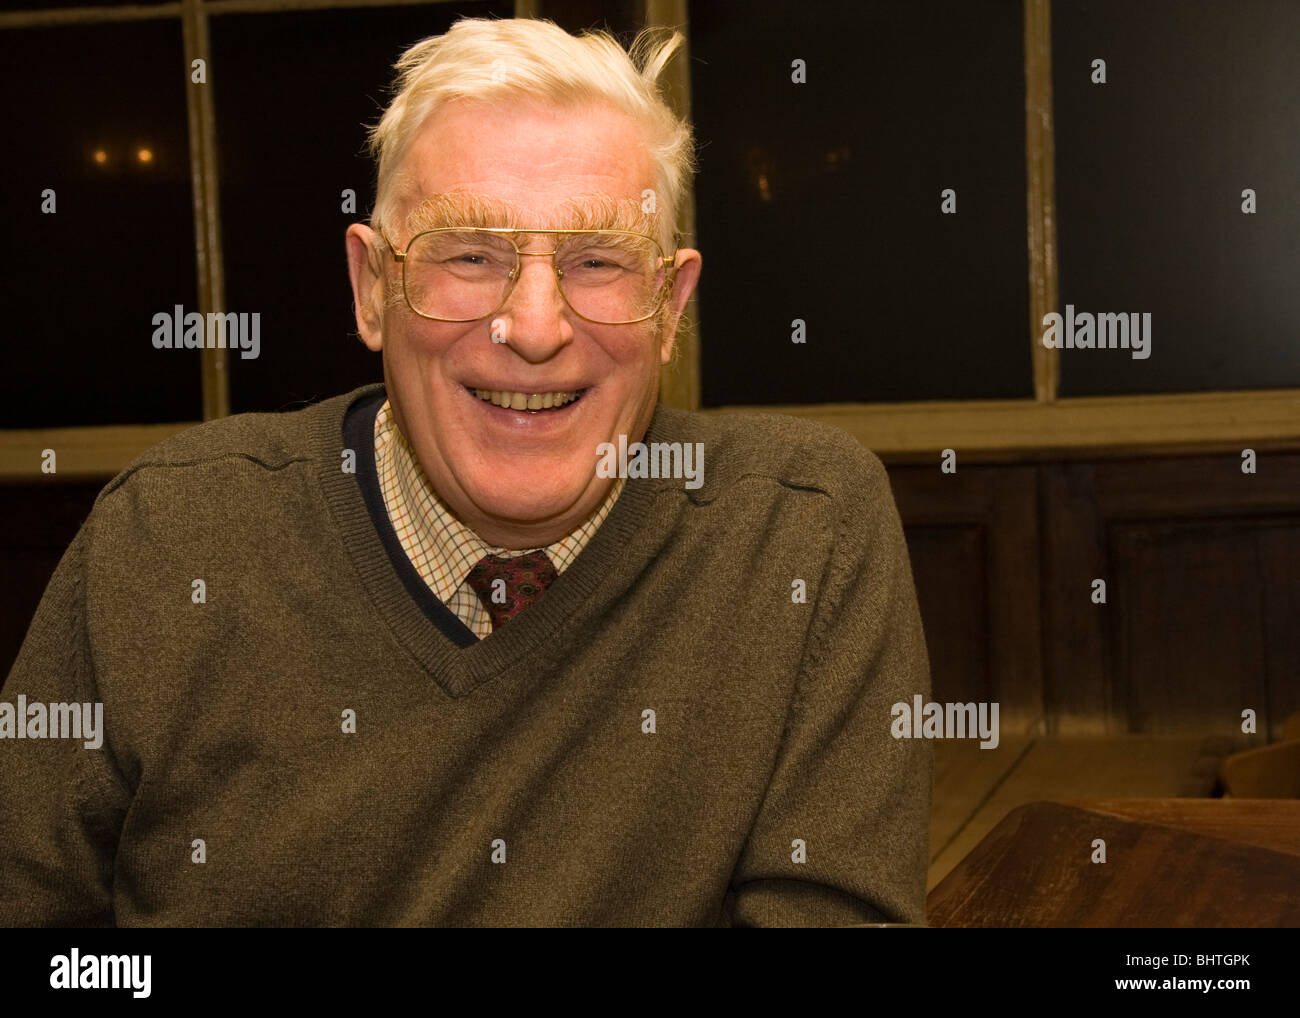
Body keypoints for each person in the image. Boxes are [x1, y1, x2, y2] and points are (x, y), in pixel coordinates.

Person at [0, 17, 931, 927]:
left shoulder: (803, 532)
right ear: (372, 288)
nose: (533, 328)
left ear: (669, 305)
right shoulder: (170, 538)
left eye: (599, 260)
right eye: (471, 255)